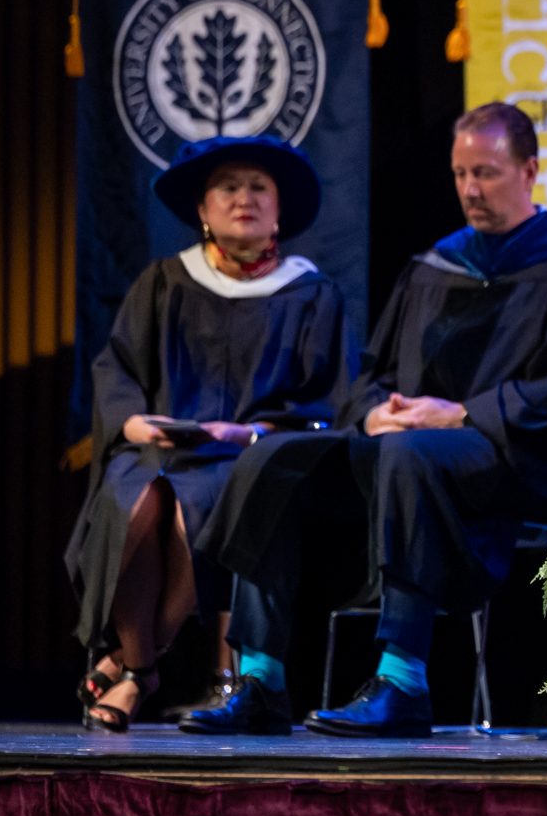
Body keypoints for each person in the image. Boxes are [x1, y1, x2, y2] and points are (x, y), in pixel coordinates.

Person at [186, 102, 547, 738]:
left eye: (485, 173)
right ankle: (260, 679)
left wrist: (461, 414)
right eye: (460, 174)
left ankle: (403, 681)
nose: (469, 190)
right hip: (416, 456)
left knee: (414, 454)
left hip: (528, 459)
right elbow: (372, 372)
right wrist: (377, 411)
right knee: (276, 458)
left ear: (530, 170)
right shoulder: (437, 265)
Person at [64, 136, 350, 732]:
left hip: (249, 457)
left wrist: (251, 431)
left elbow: (325, 396)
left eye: (258, 187)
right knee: (135, 500)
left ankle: (132, 668)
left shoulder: (311, 292)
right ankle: (143, 666)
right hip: (158, 448)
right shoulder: (164, 281)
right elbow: (116, 367)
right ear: (202, 207)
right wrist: (132, 420)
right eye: (227, 186)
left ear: (279, 208)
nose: (243, 199)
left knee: (195, 507)